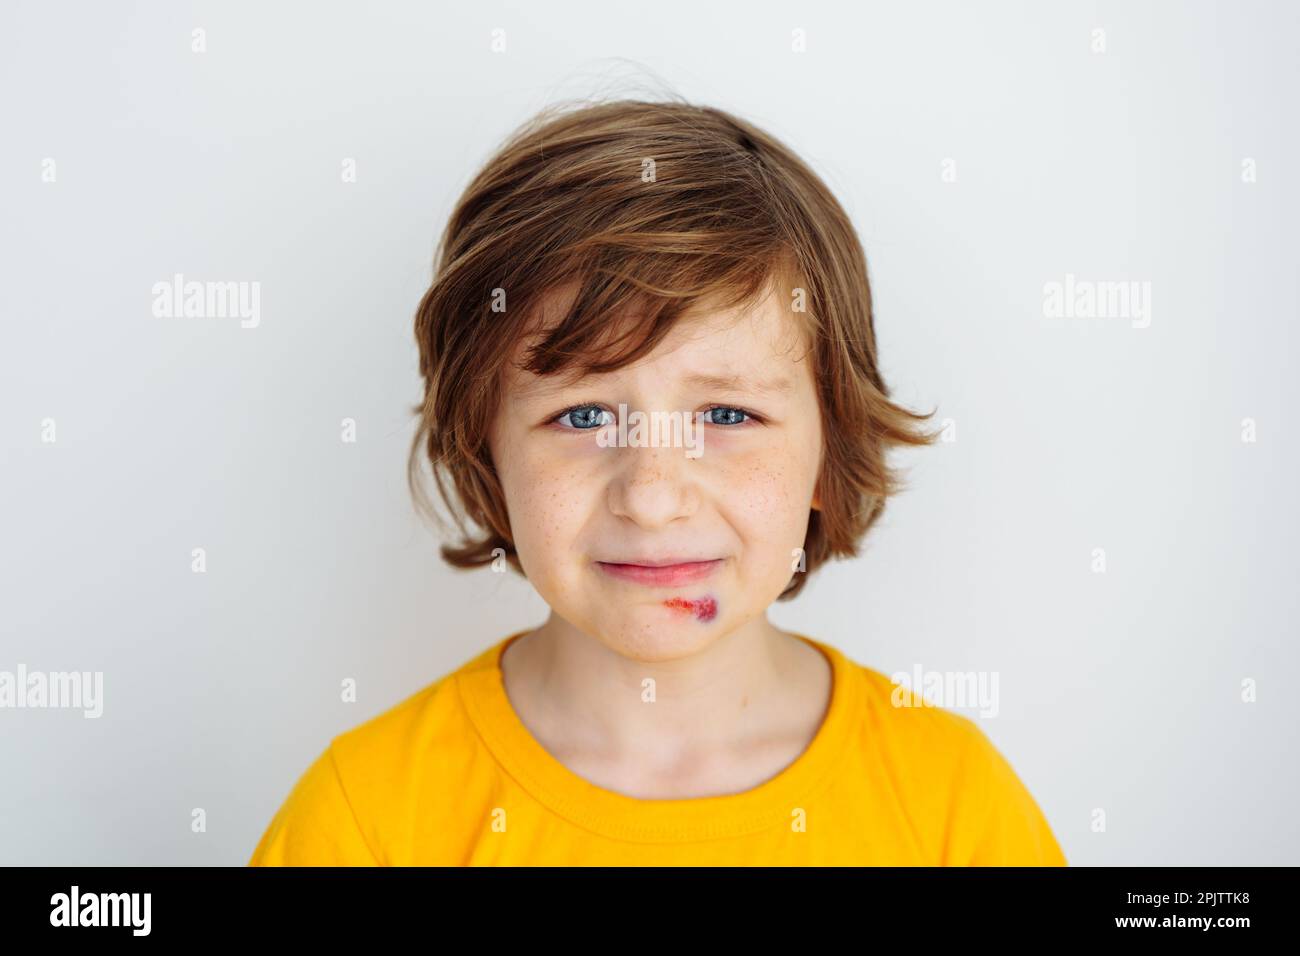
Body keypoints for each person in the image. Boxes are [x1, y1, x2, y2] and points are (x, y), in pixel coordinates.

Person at [248, 98, 1066, 865]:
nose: (652, 495)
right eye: (582, 418)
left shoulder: (952, 807)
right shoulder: (367, 821)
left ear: (832, 446)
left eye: (727, 416)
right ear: (483, 451)